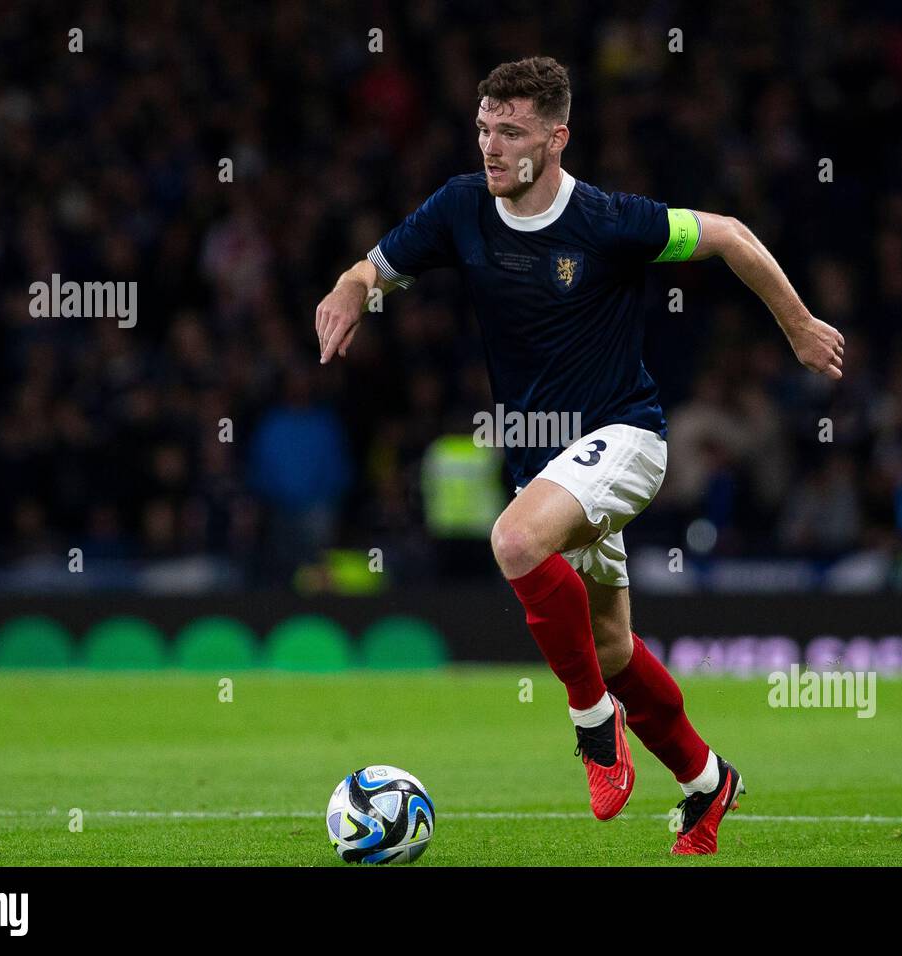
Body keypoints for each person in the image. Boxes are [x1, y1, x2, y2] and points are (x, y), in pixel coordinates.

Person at [316, 56, 844, 854]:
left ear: (556, 138)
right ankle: (707, 781)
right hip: (549, 467)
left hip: (626, 439)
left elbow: (731, 236)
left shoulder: (608, 221)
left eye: (512, 131)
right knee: (611, 649)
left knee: (514, 541)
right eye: (484, 129)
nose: (491, 147)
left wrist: (799, 326)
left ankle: (596, 731)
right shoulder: (462, 207)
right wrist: (351, 289)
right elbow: (377, 266)